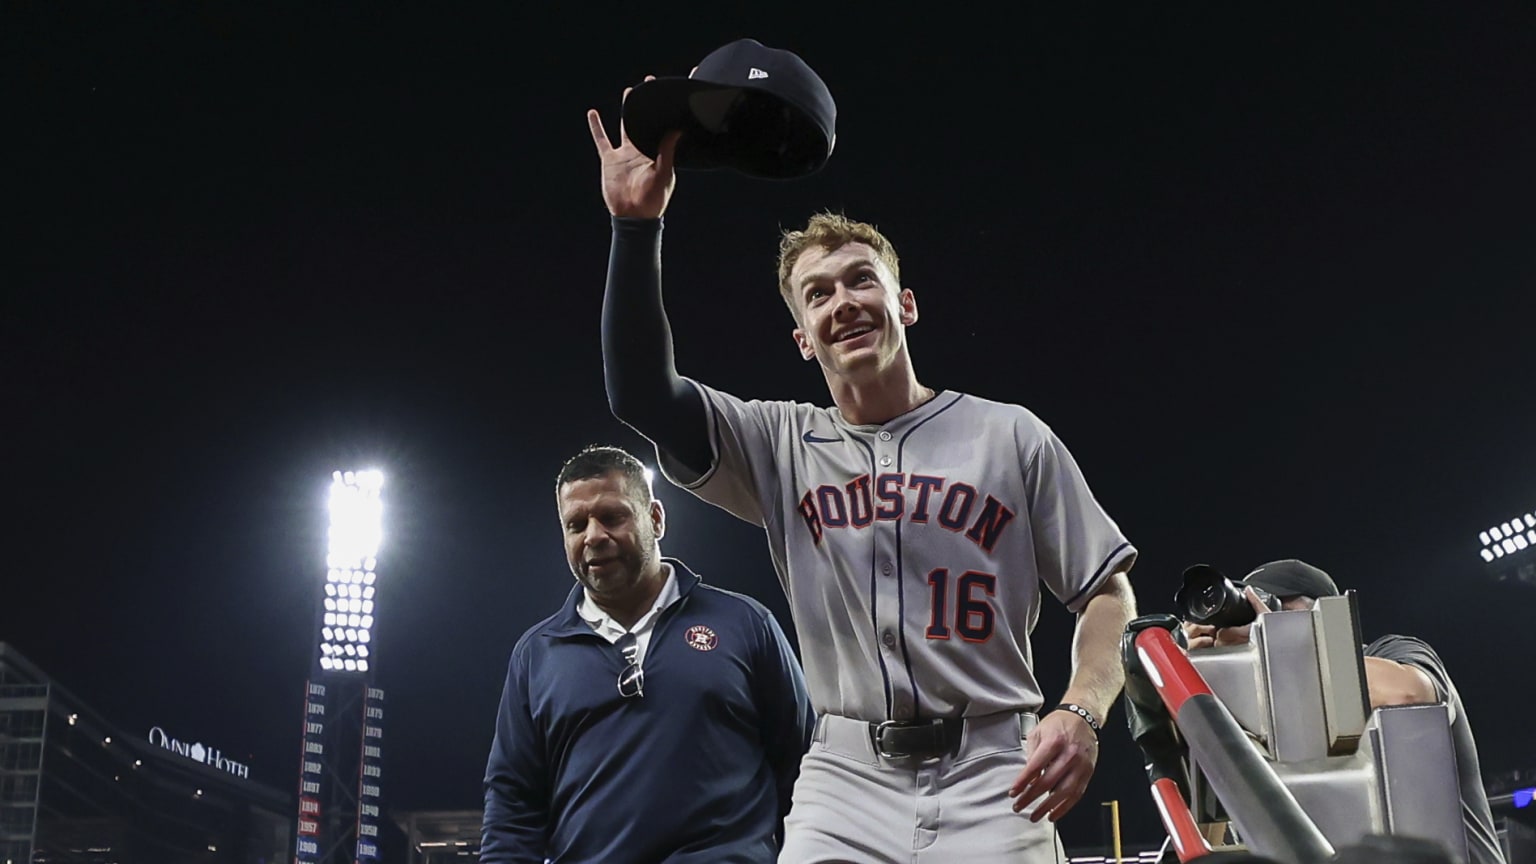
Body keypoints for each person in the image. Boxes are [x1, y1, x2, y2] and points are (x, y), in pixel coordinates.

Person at [586, 72, 1140, 862]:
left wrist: (1082, 709)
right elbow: (641, 394)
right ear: (802, 338)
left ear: (904, 305)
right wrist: (635, 228)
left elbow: (1107, 591)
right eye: (816, 295)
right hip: (847, 776)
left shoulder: (1010, 435)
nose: (841, 301)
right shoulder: (777, 441)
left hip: (995, 766)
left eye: (859, 281)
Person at [480, 445, 815, 864]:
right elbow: (513, 805)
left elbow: (806, 767)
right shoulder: (536, 654)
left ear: (655, 518)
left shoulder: (745, 624)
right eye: (576, 524)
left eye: (612, 516)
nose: (593, 536)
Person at [1184, 558, 1506, 864]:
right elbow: (1210, 828)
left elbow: (1407, 695)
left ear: (1329, 616)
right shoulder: (1250, 716)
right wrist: (1203, 679)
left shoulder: (1392, 652)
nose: (1258, 626)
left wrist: (1283, 649)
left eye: (1277, 610)